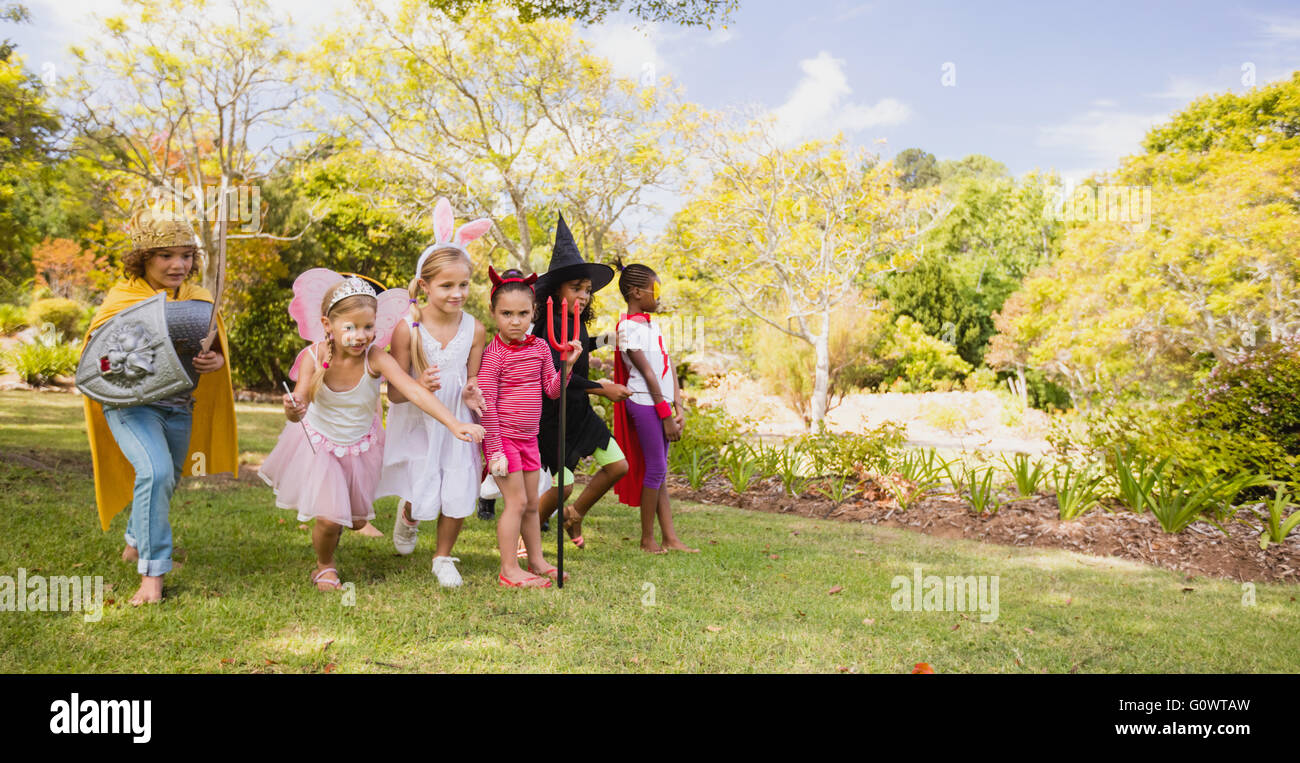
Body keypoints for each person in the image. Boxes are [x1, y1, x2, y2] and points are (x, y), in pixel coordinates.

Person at [261, 271, 484, 591]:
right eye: (350, 327)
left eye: (368, 327)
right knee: (328, 517)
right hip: (320, 445)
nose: (360, 335)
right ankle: (325, 566)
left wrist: (454, 423)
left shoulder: (375, 357)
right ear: (328, 326)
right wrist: (292, 409)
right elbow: (300, 404)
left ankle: (348, 523)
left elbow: (413, 390)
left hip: (361, 446)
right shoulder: (314, 357)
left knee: (354, 520)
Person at [82, 206, 238, 606]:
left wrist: (214, 361)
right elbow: (97, 358)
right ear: (144, 259)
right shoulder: (124, 297)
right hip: (131, 406)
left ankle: (135, 538)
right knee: (153, 471)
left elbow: (215, 352)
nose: (178, 264)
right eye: (166, 255)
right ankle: (153, 575)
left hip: (180, 404)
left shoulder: (200, 298)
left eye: (186, 255)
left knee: (166, 477)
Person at [377, 199, 491, 587]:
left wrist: (474, 393)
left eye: (463, 284)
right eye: (447, 286)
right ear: (424, 285)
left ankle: (443, 556)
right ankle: (409, 514)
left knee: (459, 481)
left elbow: (472, 379)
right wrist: (418, 388)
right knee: (421, 481)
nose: (457, 293)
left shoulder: (475, 328)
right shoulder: (407, 329)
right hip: (417, 417)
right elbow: (393, 394)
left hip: (457, 414)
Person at [531, 214, 630, 548]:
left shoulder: (574, 321)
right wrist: (603, 388)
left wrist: (604, 340)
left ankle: (574, 514)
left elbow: (579, 347)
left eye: (587, 290)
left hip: (580, 412)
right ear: (555, 291)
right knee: (563, 485)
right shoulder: (549, 325)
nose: (584, 295)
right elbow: (557, 376)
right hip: (555, 414)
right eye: (576, 288)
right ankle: (526, 534)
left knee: (617, 466)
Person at [479, 267, 581, 588]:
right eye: (506, 313)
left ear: (534, 313)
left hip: (529, 439)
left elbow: (551, 390)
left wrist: (568, 364)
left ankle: (536, 560)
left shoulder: (539, 348)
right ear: (493, 313)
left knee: (533, 503)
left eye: (523, 313)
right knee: (516, 502)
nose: (515, 321)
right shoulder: (493, 356)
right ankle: (509, 569)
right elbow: (487, 404)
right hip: (503, 441)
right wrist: (494, 449)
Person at [610, 262, 698, 554]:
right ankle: (647, 538)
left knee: (660, 473)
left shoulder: (650, 323)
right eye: (655, 289)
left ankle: (670, 537)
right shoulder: (627, 328)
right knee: (656, 468)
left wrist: (679, 406)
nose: (659, 296)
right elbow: (647, 374)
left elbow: (667, 363)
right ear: (636, 292)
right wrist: (665, 416)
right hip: (645, 405)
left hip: (661, 404)